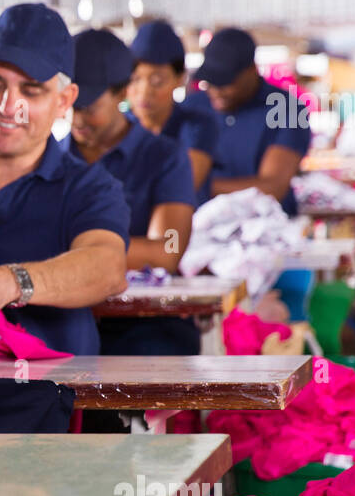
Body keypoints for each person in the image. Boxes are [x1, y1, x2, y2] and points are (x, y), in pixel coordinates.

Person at [0, 3, 129, 356]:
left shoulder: (89, 188)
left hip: (51, 398)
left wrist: (11, 283)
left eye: (31, 90)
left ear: (64, 101)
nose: (9, 106)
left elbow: (107, 267)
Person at [69, 29, 198, 355]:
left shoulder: (164, 158)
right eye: (70, 104)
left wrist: (62, 256)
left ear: (121, 93)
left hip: (143, 327)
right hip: (65, 319)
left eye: (88, 105)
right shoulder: (50, 159)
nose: (78, 118)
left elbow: (166, 251)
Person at [188, 27, 310, 215]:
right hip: (199, 231)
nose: (216, 90)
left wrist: (193, 187)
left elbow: (272, 189)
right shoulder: (191, 108)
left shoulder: (287, 109)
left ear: (252, 70)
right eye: (211, 82)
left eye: (226, 82)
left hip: (269, 231)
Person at [126, 20, 219, 199]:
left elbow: (182, 188)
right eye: (135, 79)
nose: (144, 92)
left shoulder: (197, 126)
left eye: (157, 81)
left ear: (179, 79)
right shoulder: (118, 127)